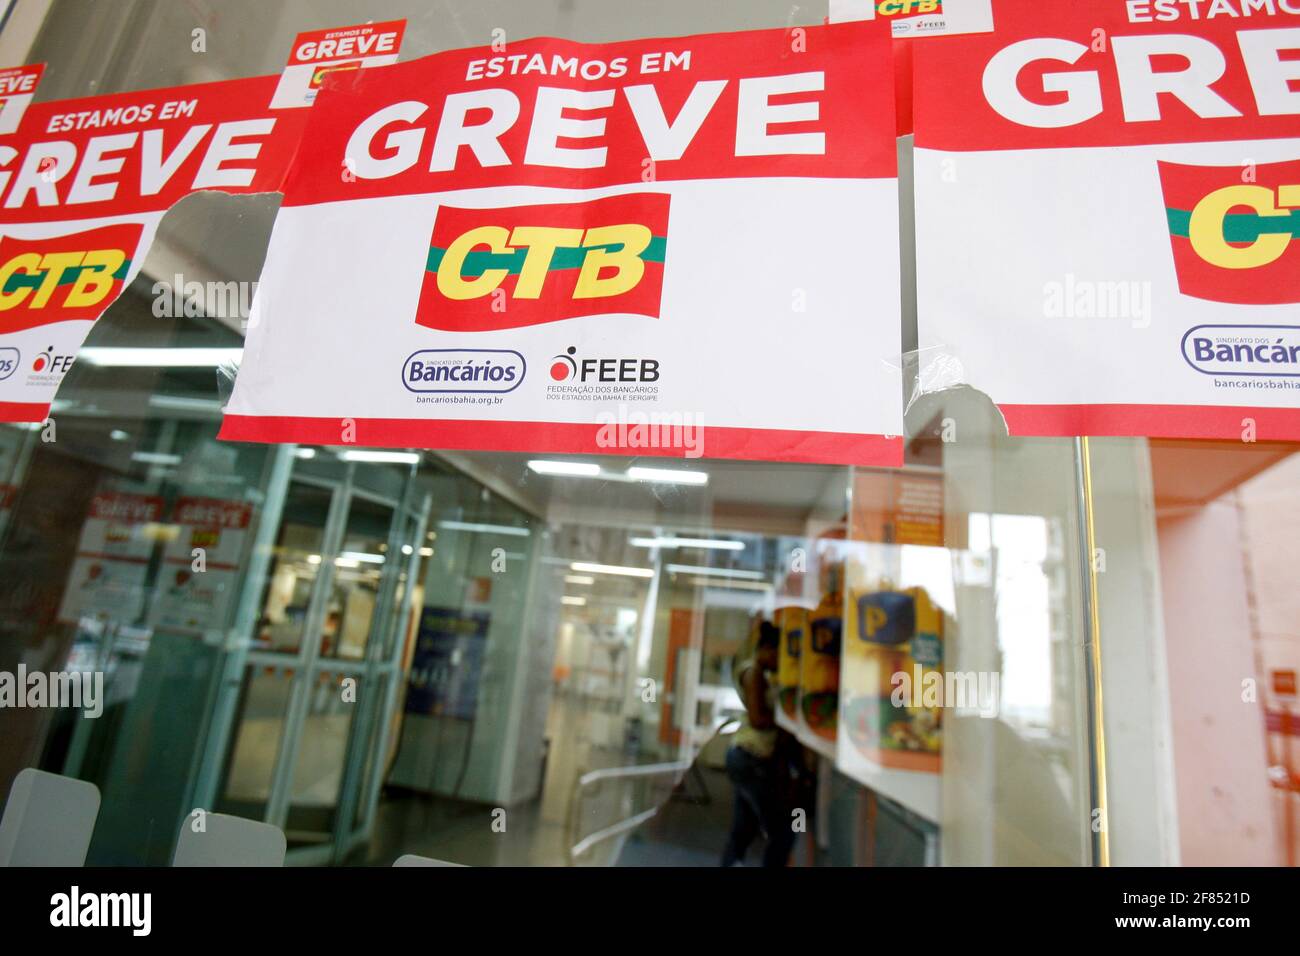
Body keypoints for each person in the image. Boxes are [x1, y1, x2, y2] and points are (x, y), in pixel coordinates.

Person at [721, 620, 795, 867]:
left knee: (744, 828)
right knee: (782, 832)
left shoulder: (758, 674)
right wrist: (786, 720)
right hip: (750, 757)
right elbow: (757, 719)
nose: (780, 662)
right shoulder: (754, 674)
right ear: (766, 650)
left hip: (745, 757)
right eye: (778, 655)